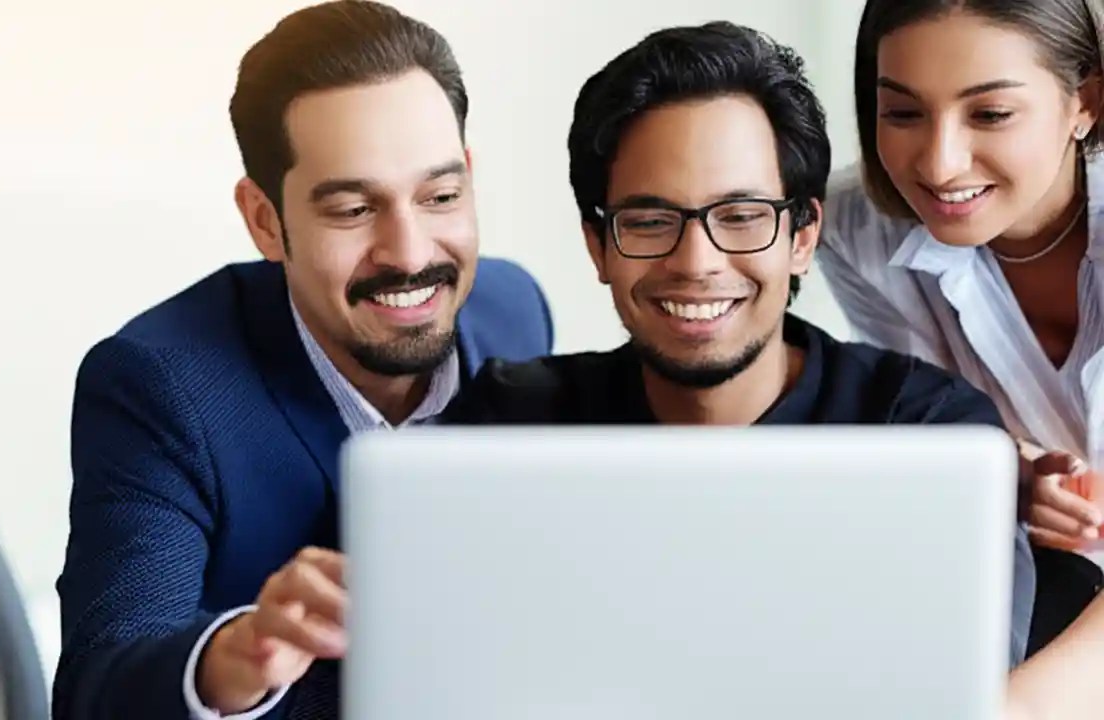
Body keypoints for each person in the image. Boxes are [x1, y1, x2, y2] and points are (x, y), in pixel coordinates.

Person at [438, 15, 1035, 672]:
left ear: (803, 236)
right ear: (597, 244)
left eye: (742, 216)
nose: (697, 262)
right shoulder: (503, 435)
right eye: (650, 220)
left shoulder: (929, 438)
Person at [50, 2, 553, 718]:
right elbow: (99, 688)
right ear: (265, 220)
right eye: (353, 210)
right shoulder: (160, 384)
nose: (410, 253)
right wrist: (236, 655)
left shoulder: (514, 313)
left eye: (441, 196)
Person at [817, 1, 1104, 717]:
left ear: (1086, 102)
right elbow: (938, 418)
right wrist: (1011, 467)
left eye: (990, 115)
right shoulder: (858, 229)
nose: (939, 164)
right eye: (903, 114)